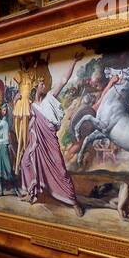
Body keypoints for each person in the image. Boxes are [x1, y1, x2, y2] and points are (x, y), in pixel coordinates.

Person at [19, 52, 84, 217]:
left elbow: (63, 81)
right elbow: (29, 124)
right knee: (25, 162)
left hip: (49, 141)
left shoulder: (49, 98)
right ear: (36, 88)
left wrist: (73, 61)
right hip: (36, 144)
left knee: (61, 170)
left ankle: (73, 201)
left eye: (43, 83)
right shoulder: (32, 106)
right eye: (41, 83)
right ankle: (31, 192)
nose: (43, 84)